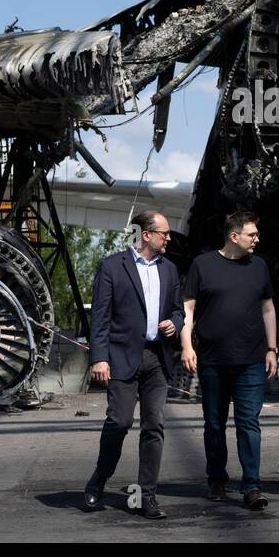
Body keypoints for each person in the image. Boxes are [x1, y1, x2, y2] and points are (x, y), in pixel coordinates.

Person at [83, 210, 184, 520]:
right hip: (122, 356)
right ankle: (99, 479)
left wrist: (174, 325)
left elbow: (179, 311)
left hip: (157, 358)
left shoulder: (170, 269)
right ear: (145, 235)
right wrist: (99, 357)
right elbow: (100, 316)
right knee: (120, 421)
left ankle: (146, 497)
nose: (169, 238)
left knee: (155, 425)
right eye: (164, 233)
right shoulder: (113, 266)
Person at [180, 211, 277, 511]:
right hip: (212, 361)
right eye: (252, 234)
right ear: (234, 236)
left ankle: (252, 486)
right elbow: (188, 308)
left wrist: (272, 348)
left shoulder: (259, 266)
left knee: (249, 423)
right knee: (214, 424)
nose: (257, 239)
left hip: (250, 361)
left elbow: (268, 309)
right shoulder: (203, 265)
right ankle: (217, 480)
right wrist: (186, 346)